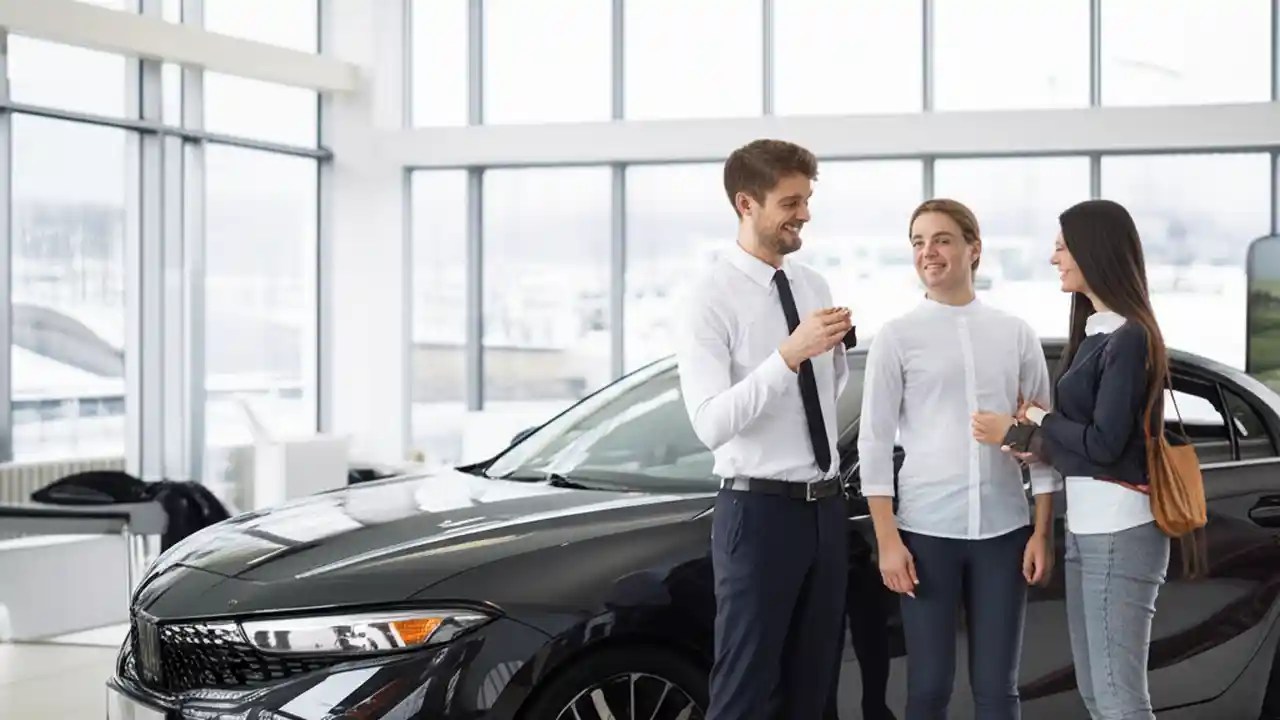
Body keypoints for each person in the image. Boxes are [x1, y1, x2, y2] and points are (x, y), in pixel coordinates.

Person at [974, 199, 1173, 720]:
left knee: (1118, 698)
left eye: (1062, 246)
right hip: (1088, 528)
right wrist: (1034, 438)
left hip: (1120, 530)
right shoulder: (1095, 334)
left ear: (1093, 250)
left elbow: (1105, 445)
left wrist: (1035, 423)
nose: (1054, 258)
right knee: (1095, 692)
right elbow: (1085, 443)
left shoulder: (1130, 337)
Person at [676, 138, 853, 720]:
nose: (804, 213)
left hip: (826, 512)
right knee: (746, 690)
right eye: (791, 202)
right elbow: (710, 424)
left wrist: (832, 349)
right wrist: (787, 356)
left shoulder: (812, 286)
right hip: (758, 516)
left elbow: (826, 398)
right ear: (746, 204)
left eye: (806, 199)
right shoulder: (709, 297)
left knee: (814, 690)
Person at [860, 198, 1058, 720]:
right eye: (919, 242)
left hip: (1005, 533)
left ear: (974, 250)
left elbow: (1042, 436)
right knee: (927, 689)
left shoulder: (1015, 333)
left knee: (998, 691)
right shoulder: (896, 338)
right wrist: (888, 542)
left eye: (942, 239)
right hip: (926, 534)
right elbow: (874, 444)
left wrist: (1041, 530)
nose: (929, 252)